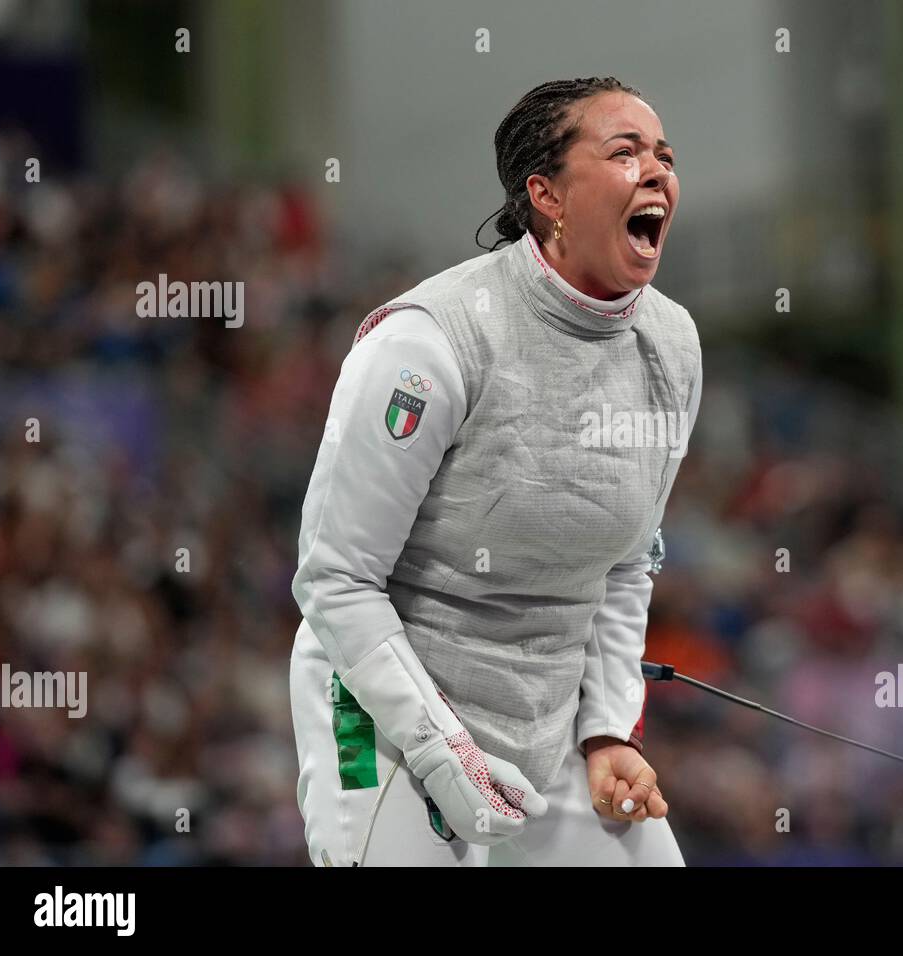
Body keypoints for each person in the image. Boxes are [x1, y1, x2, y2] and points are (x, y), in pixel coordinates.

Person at [288, 77, 701, 865]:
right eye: (624, 152)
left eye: (665, 157)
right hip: (384, 716)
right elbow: (336, 579)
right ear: (545, 193)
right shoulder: (428, 344)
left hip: (546, 716)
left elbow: (625, 566)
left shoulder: (672, 347)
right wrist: (446, 750)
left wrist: (608, 729)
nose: (657, 172)